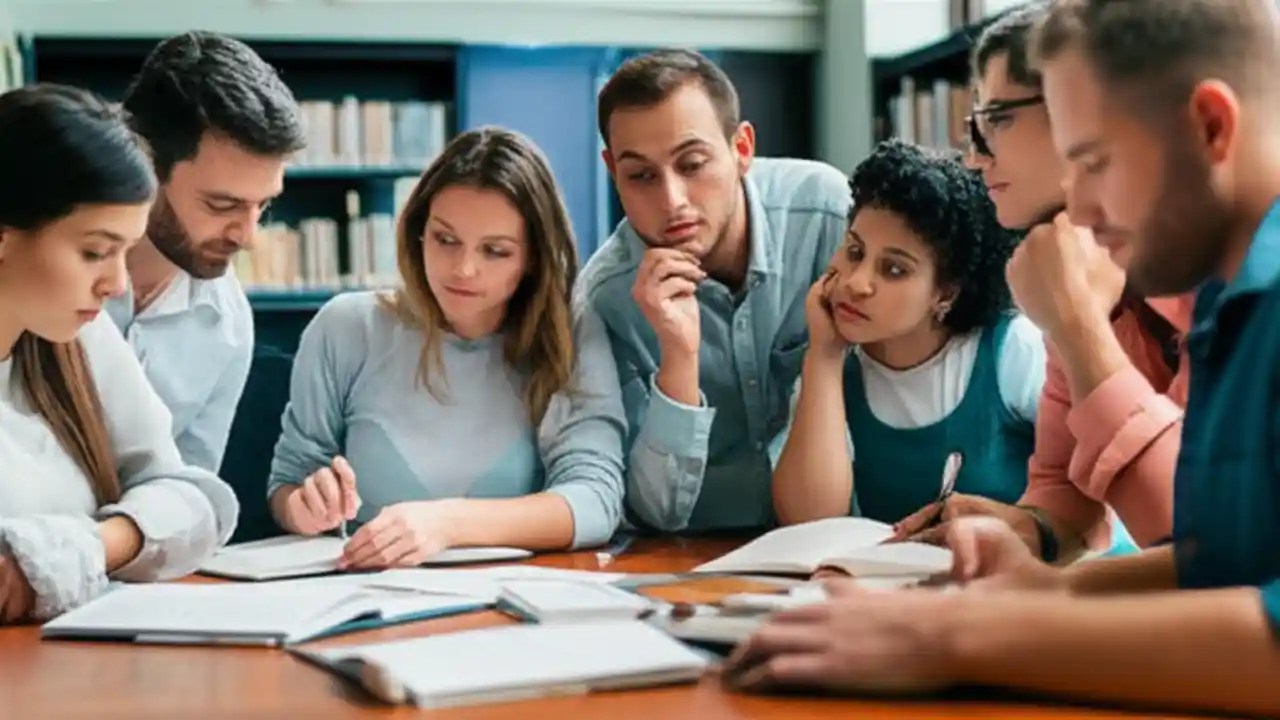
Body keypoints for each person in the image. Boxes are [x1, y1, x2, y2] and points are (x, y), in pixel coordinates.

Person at [724, 1, 1280, 715]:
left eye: (1094, 162)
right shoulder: (1226, 308)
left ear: (1210, 128)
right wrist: (1049, 590)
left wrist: (960, 636)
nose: (1076, 205)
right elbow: (1233, 565)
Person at [893, 2, 1194, 561]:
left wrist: (1079, 327)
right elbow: (1065, 496)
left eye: (995, 120)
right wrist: (1023, 529)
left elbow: (1193, 529)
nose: (975, 157)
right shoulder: (1064, 260)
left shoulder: (1220, 269)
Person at [268, 127, 626, 569]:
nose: (464, 269)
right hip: (369, 603)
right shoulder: (346, 327)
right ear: (418, 232)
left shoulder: (568, 334)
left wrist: (447, 524)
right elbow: (286, 484)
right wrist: (303, 508)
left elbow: (596, 500)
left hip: (508, 606)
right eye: (445, 240)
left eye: (495, 250)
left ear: (533, 257)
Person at [577, 48, 851, 532]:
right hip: (694, 561)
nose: (672, 201)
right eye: (640, 175)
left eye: (692, 164)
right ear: (611, 170)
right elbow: (654, 512)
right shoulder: (604, 300)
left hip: (838, 542)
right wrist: (678, 358)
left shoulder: (829, 218)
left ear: (741, 149)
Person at [0, 84, 237, 622]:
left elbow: (194, 499)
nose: (117, 284)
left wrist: (88, 547)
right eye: (95, 252)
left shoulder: (76, 339)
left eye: (127, 252)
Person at [772, 139, 1039, 526]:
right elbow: (807, 522)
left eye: (894, 269)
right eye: (855, 251)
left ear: (945, 293)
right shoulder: (834, 369)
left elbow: (1095, 502)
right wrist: (824, 358)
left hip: (1046, 580)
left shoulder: (1013, 350)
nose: (857, 283)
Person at [103, 31, 306, 473]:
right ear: (144, 164)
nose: (248, 237)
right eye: (222, 205)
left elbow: (189, 491)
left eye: (263, 206)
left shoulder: (228, 323)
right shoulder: (36, 273)